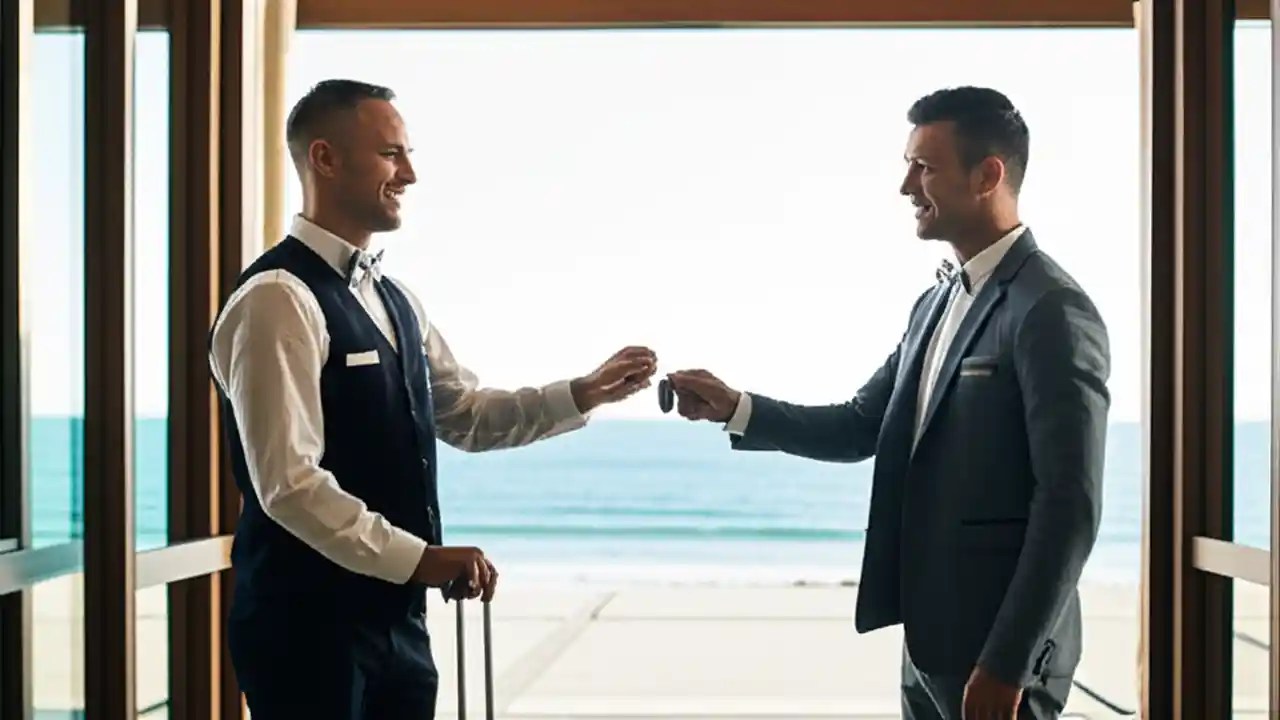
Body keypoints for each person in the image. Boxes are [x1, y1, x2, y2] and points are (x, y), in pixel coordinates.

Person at [209, 78, 657, 720]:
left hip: (398, 625)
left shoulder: (396, 301)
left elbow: (468, 415)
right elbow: (288, 484)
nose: (410, 174)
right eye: (392, 154)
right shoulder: (278, 298)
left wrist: (581, 393)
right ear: (325, 159)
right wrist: (420, 559)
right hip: (303, 631)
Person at [666, 86, 1109, 720]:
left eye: (923, 166)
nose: (906, 186)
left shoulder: (1051, 309)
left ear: (988, 175)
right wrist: (736, 406)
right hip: (927, 645)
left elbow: (1069, 505)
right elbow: (857, 425)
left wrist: (1007, 663)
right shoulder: (934, 304)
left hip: (998, 662)